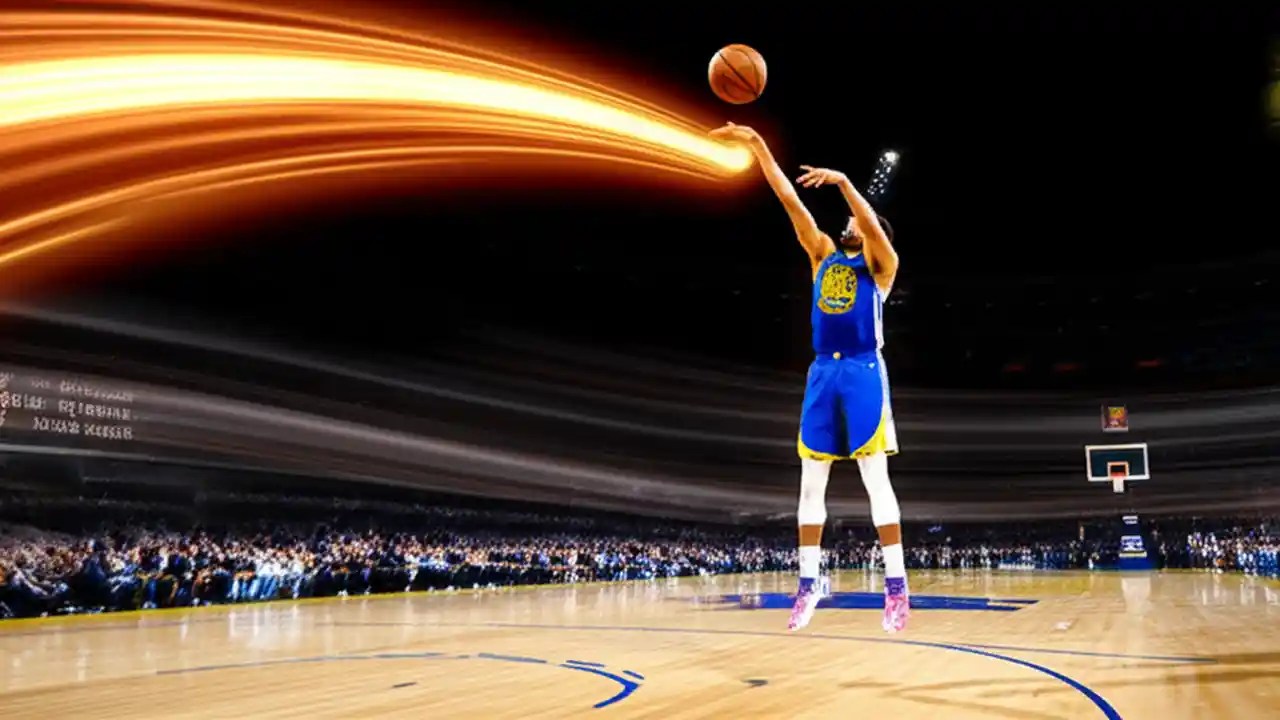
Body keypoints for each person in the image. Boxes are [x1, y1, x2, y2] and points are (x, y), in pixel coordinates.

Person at [710, 122, 909, 633]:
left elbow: (871, 225)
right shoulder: (821, 254)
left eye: (856, 219)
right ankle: (807, 584)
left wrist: (845, 183)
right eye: (847, 217)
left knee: (874, 480)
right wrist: (757, 146)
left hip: (865, 369)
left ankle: (896, 585)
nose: (848, 222)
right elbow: (787, 200)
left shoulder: (881, 266)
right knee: (809, 485)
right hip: (823, 371)